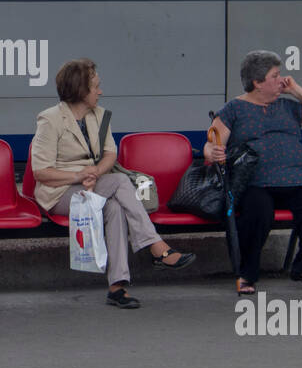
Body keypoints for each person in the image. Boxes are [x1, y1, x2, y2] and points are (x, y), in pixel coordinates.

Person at [30, 59, 194, 310]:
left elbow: (110, 155)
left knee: (115, 208)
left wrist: (96, 171)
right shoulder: (50, 120)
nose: (100, 91)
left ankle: (117, 287)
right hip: (60, 192)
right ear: (80, 90)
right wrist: (79, 176)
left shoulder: (101, 116)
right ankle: (155, 246)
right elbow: (41, 172)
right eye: (96, 86)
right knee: (118, 181)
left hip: (96, 184)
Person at [206, 50, 302, 295]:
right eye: (275, 75)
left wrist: (296, 90)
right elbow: (212, 140)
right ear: (257, 82)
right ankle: (248, 273)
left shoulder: (288, 106)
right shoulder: (234, 108)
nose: (281, 79)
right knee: (258, 210)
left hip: (294, 181)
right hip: (255, 183)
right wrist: (213, 153)